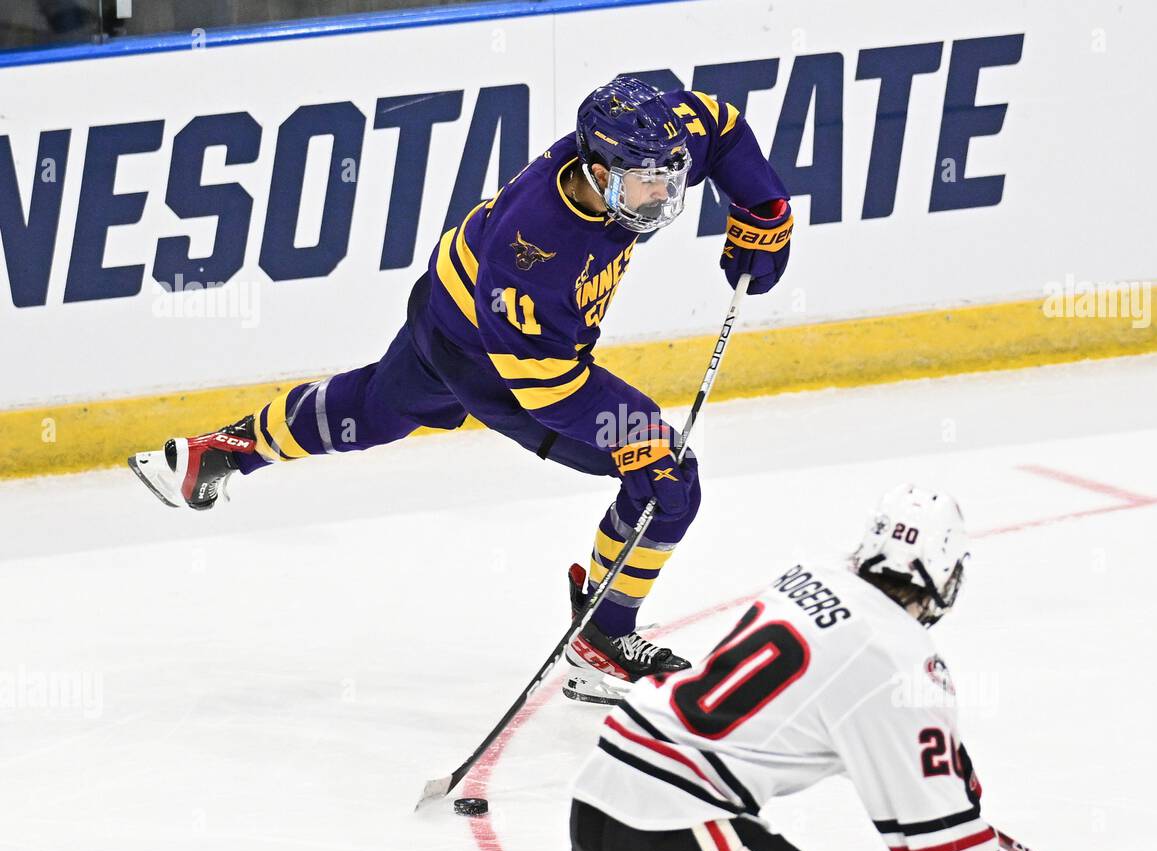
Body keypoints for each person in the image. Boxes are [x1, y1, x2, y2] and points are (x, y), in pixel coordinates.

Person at [128, 76, 793, 704]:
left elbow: (719, 126)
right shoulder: (535, 251)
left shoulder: (644, 142)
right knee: (665, 476)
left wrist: (763, 208)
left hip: (444, 308)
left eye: (668, 176)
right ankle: (602, 638)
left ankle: (217, 452)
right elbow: (550, 390)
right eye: (646, 181)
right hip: (497, 361)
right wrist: (643, 435)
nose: (662, 194)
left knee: (371, 411)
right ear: (597, 172)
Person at [569, 484, 1000, 851]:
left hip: (599, 787)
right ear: (946, 571)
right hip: (672, 821)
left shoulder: (809, 577)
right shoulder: (901, 660)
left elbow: (827, 701)